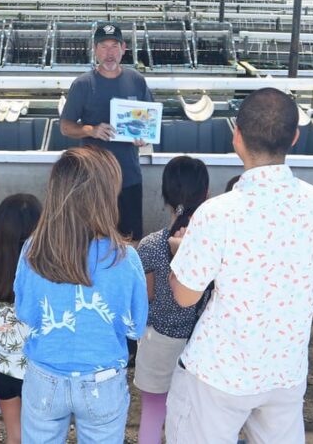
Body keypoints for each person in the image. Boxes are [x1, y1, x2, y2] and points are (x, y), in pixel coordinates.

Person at [165, 88, 313, 444]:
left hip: (219, 370)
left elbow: (184, 296)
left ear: (237, 136)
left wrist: (179, 257)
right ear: (294, 137)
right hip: (285, 368)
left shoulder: (217, 213)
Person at [14, 146, 148, 444]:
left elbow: (25, 313)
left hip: (44, 377)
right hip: (103, 381)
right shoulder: (124, 257)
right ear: (106, 196)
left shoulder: (33, 249)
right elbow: (135, 327)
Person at [134, 156, 210, 444]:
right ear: (206, 194)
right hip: (200, 344)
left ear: (165, 195)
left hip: (157, 343)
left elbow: (146, 298)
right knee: (193, 421)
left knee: (152, 415)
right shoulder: (210, 244)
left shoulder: (150, 245)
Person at [60, 23, 153, 241]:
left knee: (131, 240)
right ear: (95, 50)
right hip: (93, 179)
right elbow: (65, 126)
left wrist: (144, 138)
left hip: (129, 176)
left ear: (123, 48)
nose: (109, 53)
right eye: (103, 47)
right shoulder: (83, 85)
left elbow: (150, 122)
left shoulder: (136, 81)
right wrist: (91, 130)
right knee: (93, 240)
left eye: (114, 46)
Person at [0, 193, 42, 444]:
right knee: (40, 435)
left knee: (15, 435)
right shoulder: (46, 280)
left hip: (2, 370)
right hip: (38, 372)